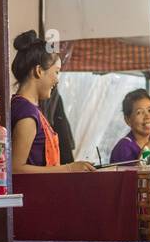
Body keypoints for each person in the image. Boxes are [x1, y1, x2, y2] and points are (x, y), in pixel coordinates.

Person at [9, 30, 94, 174]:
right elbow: (16, 169)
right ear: (39, 71)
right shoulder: (26, 114)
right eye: (56, 72)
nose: (57, 79)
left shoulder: (28, 108)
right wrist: (69, 168)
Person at [110, 88, 150, 163]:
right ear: (128, 120)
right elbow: (140, 170)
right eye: (139, 112)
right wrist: (149, 146)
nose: (148, 116)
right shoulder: (124, 148)